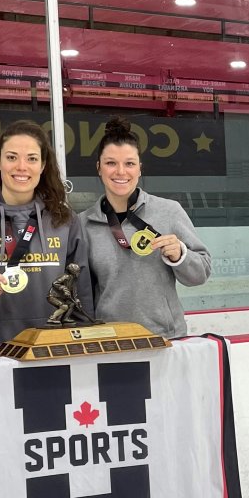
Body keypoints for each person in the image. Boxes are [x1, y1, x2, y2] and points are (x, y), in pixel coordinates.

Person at [0, 120, 92, 357]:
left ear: (43, 165)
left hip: (56, 352)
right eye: (12, 157)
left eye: (32, 158)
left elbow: (81, 291)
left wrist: (83, 344)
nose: (22, 166)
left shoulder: (64, 219)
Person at [80, 116, 211, 338]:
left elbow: (201, 274)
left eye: (129, 163)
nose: (121, 171)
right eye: (111, 163)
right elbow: (82, 291)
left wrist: (181, 254)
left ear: (139, 169)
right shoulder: (83, 224)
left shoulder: (169, 211)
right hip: (109, 341)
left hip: (165, 339)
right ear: (99, 168)